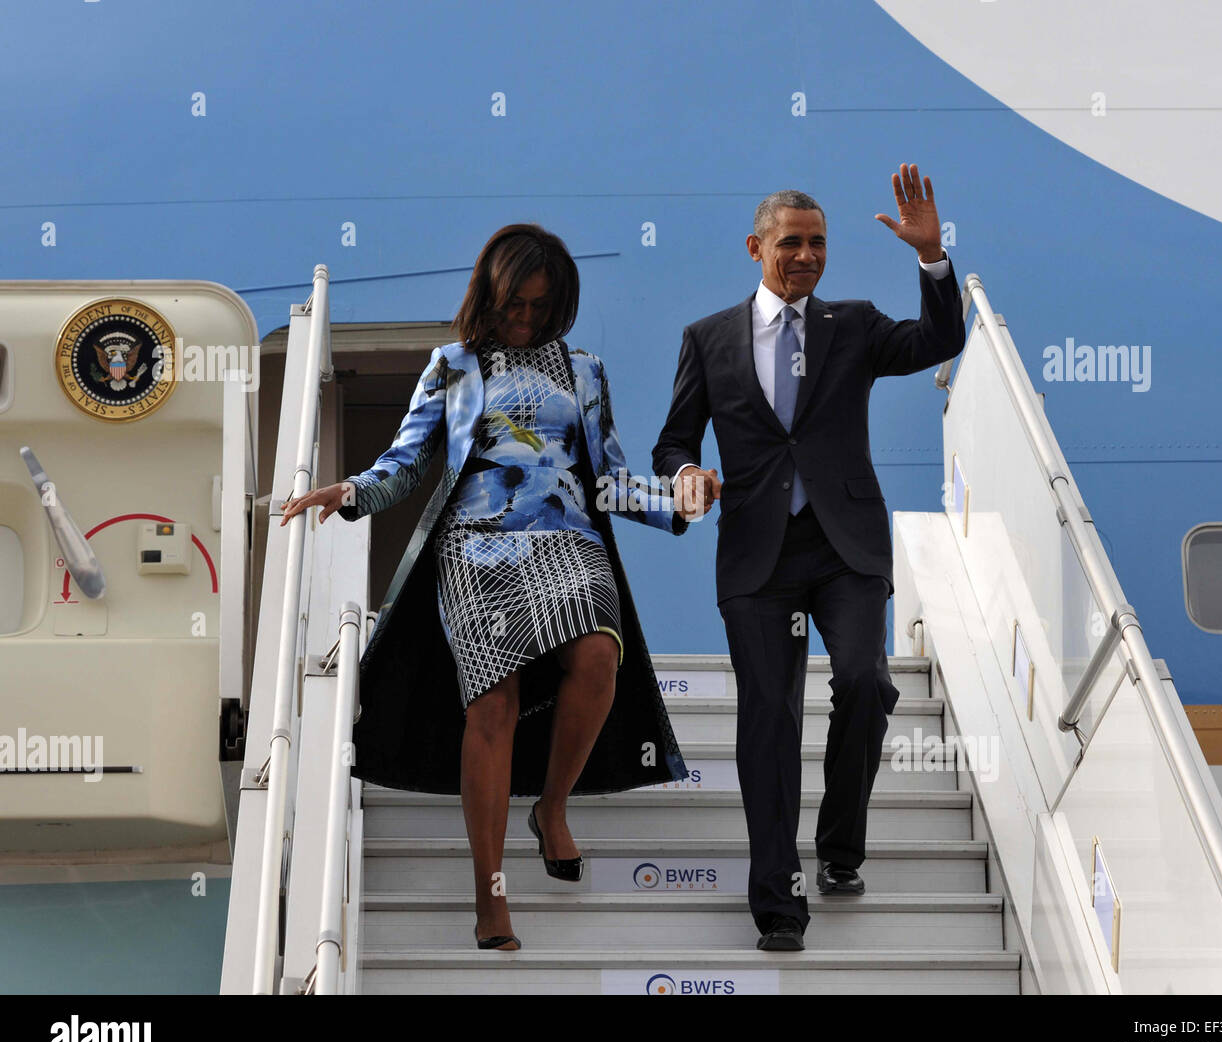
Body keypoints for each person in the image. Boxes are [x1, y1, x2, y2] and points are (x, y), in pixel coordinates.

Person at [281, 223, 690, 950]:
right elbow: (406, 466)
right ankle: (490, 890)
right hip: (478, 547)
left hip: (569, 539)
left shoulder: (586, 370)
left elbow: (615, 480)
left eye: (540, 306)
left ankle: (552, 807)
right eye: (514, 305)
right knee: (493, 702)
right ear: (489, 296)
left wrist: (676, 502)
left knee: (599, 653)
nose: (526, 319)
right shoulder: (452, 365)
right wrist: (346, 490)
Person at [654, 167, 967, 950]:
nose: (806, 255)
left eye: (818, 242)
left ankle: (839, 844)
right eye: (791, 242)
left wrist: (931, 257)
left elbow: (941, 339)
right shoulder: (709, 338)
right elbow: (673, 440)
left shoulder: (852, 324)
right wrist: (685, 475)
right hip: (759, 556)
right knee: (770, 719)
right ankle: (778, 903)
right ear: (756, 247)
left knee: (864, 681)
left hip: (845, 546)